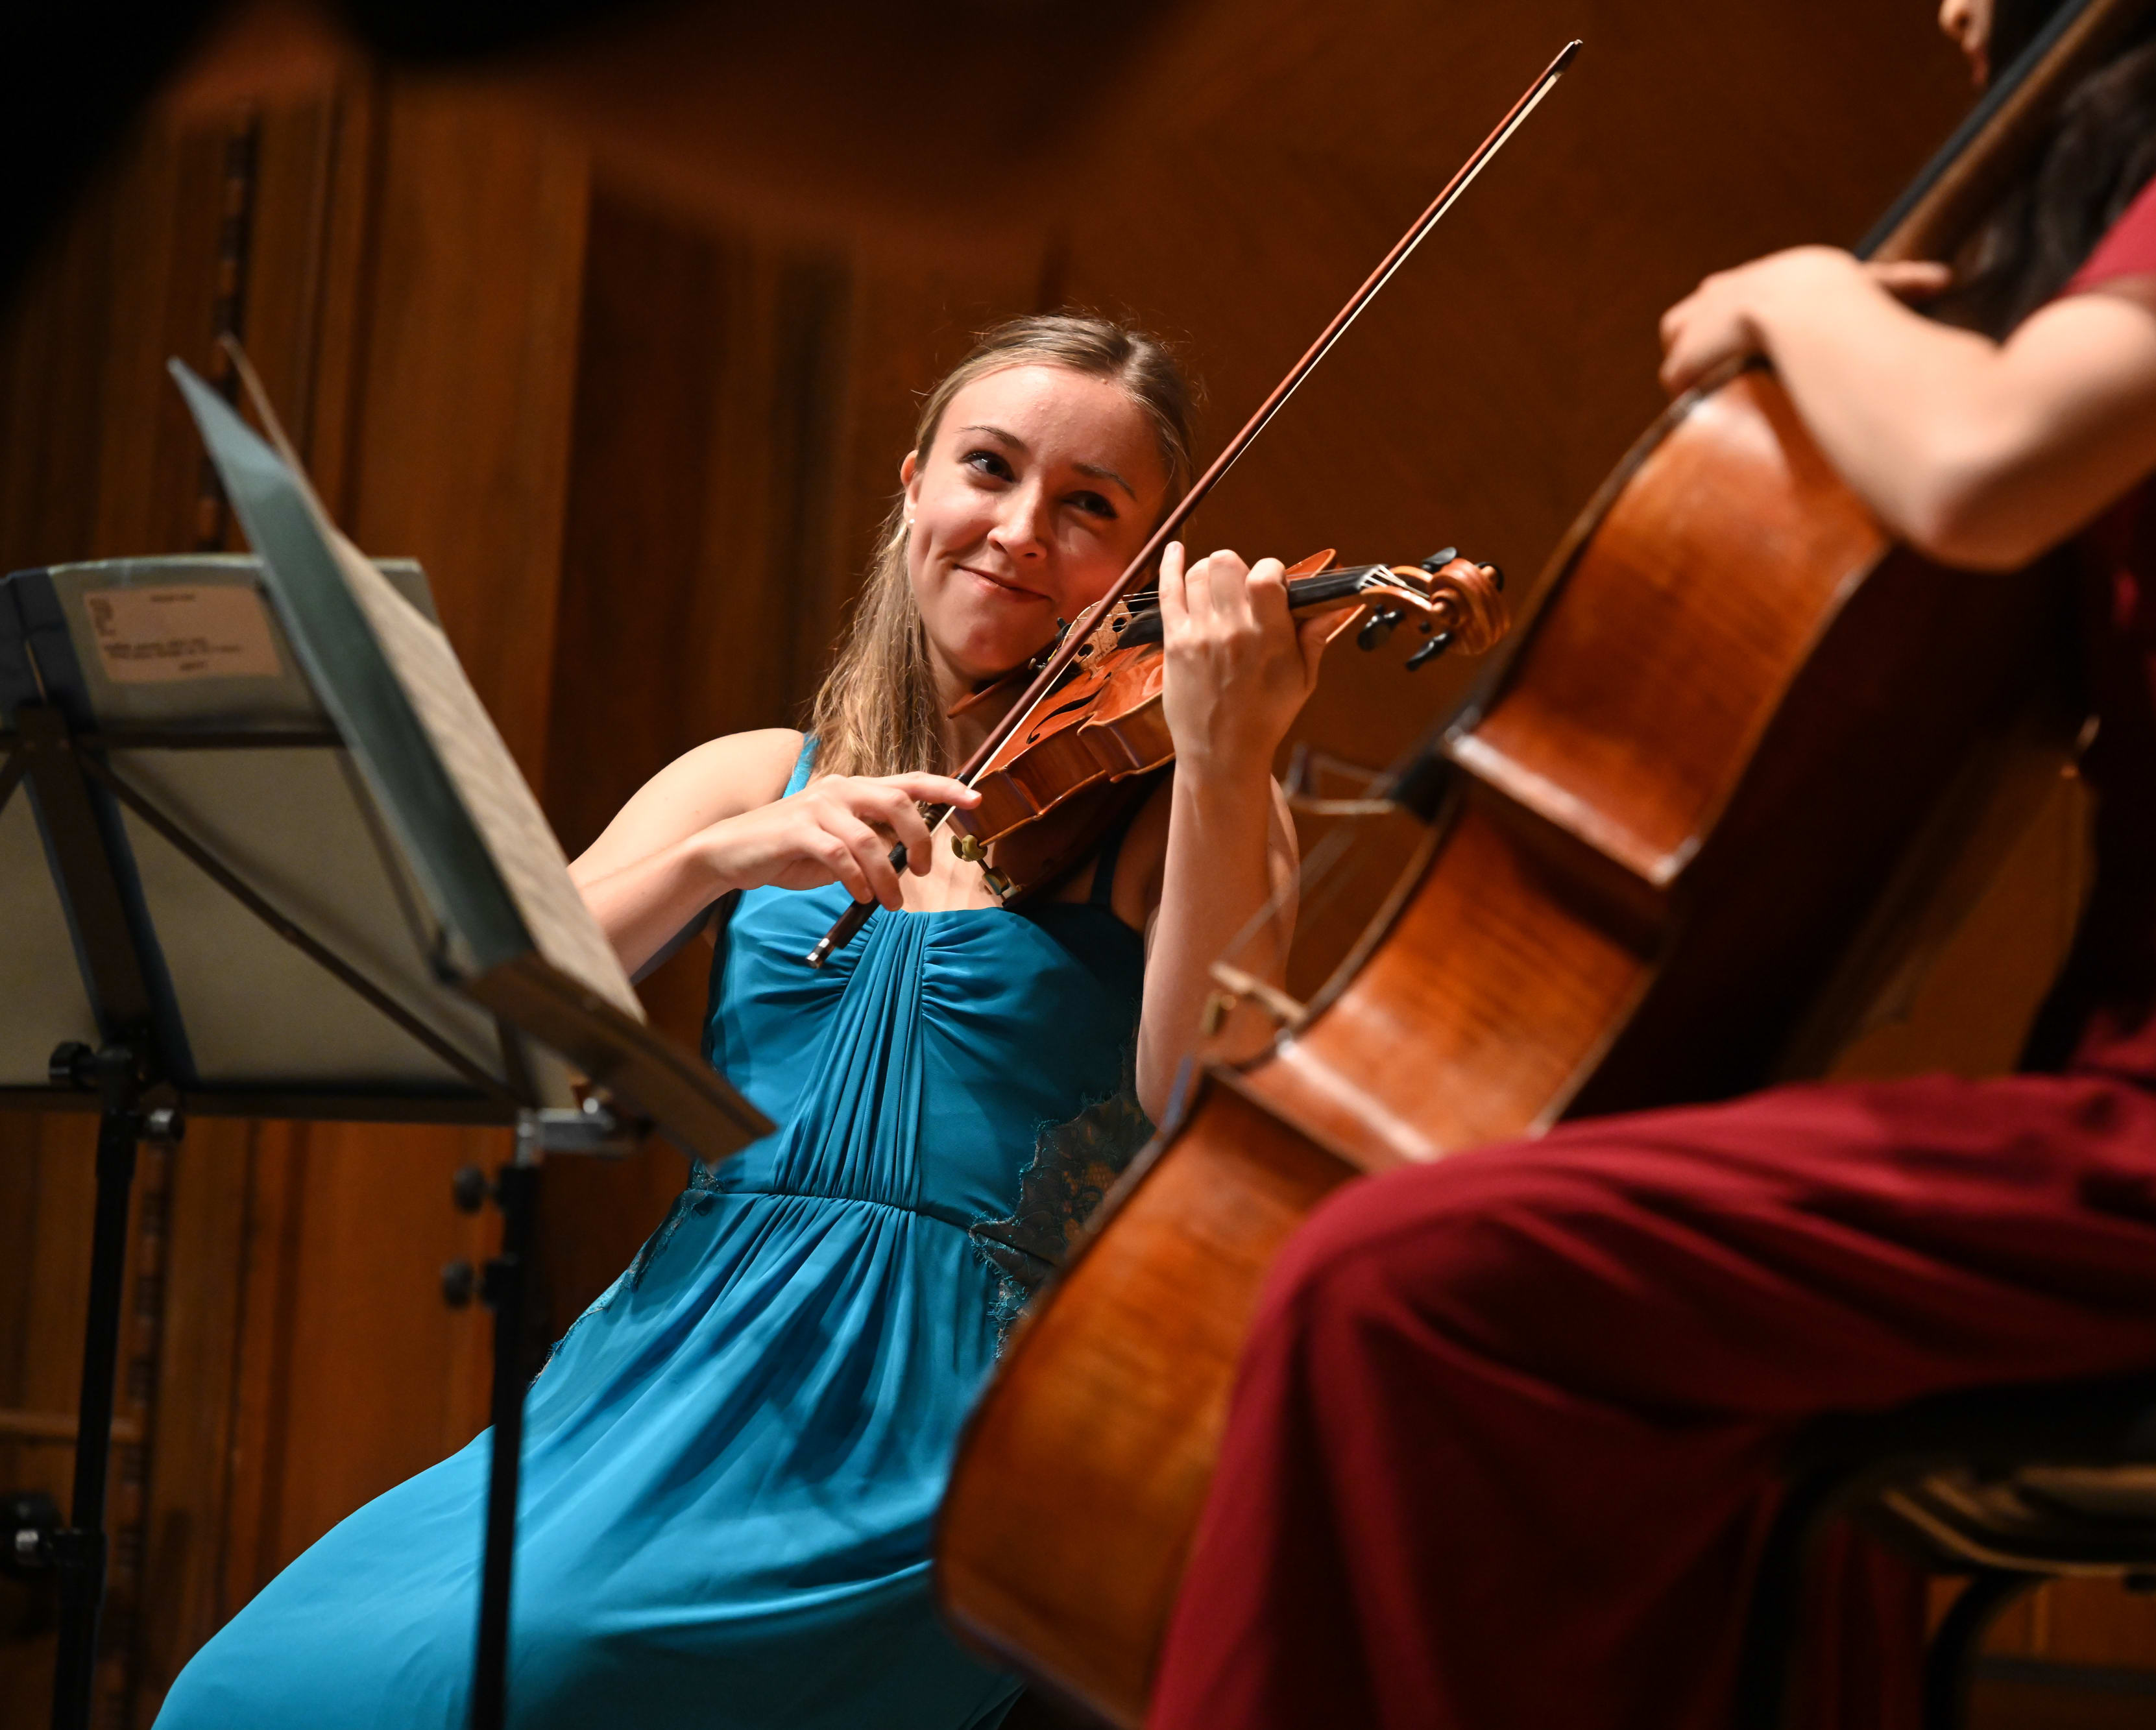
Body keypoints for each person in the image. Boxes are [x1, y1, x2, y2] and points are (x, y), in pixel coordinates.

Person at [1143, 3, 2156, 1727]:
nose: (1946, 5)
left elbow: (1983, 469)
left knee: (1379, 1277)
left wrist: (1800, 290)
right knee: (1691, 1425)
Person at [157, 314, 1345, 1730]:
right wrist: (719, 857)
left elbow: (1203, 1101)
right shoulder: (751, 775)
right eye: (989, 468)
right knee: (248, 1685)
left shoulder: (1181, 808)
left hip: (943, 1416)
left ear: (1152, 561)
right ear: (913, 485)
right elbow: (485, 995)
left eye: (1089, 506)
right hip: (669, 1358)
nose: (1021, 531)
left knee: (549, 1678)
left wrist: (1224, 760)